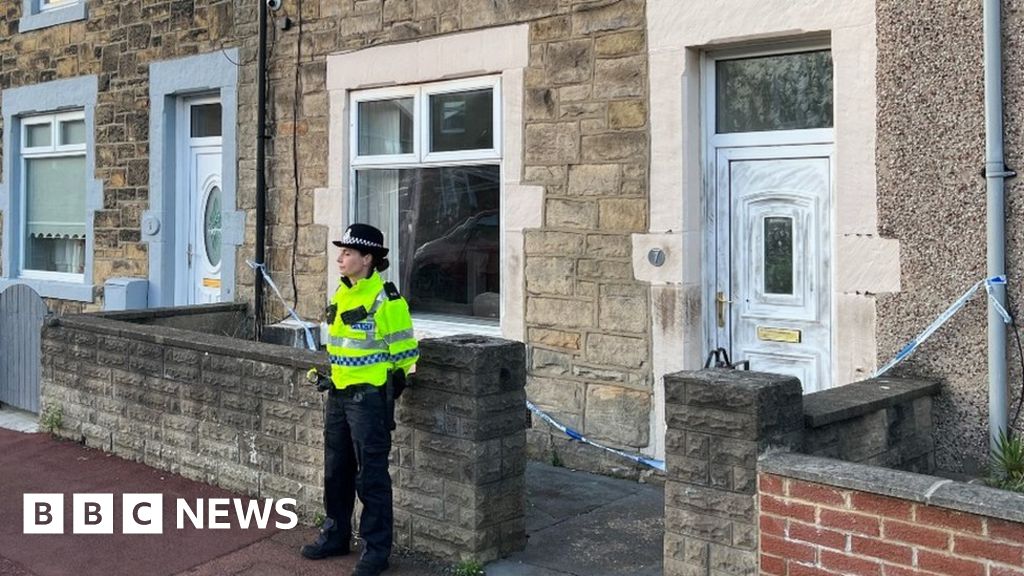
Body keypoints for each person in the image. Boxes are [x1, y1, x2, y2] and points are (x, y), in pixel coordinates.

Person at [301, 223, 418, 576]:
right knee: (337, 473)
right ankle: (335, 535)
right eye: (342, 252)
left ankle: (376, 550)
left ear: (367, 259)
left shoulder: (387, 300)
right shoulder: (341, 295)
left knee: (372, 478)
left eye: (348, 253)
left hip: (368, 401)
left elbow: (406, 355)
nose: (340, 258)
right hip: (338, 396)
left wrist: (390, 388)